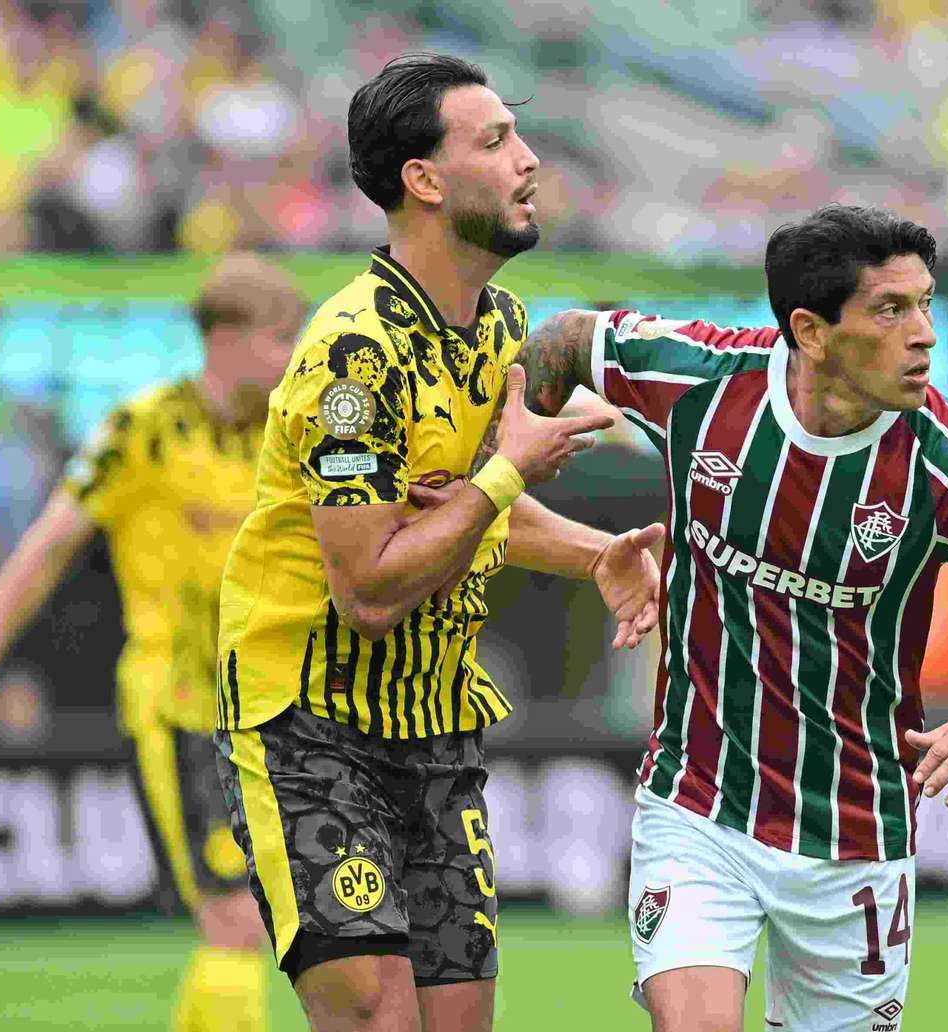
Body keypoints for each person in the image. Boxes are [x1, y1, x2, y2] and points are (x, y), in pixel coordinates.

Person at [511, 204, 948, 1032]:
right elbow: (564, 339)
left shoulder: (942, 461)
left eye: (925, 304)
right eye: (891, 310)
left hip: (856, 836)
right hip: (698, 805)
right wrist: (509, 456)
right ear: (810, 330)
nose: (924, 335)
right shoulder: (702, 381)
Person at [210, 54, 663, 1032]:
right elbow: (369, 590)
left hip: (436, 727)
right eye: (495, 141)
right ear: (423, 179)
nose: (528, 159)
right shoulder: (353, 354)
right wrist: (506, 473)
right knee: (377, 1015)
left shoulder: (499, 328)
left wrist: (597, 555)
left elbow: (473, 517)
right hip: (310, 725)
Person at [0, 252, 310, 1032]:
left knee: (259, 925)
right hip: (179, 711)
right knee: (234, 921)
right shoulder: (143, 430)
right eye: (281, 338)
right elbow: (46, 547)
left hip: (273, 714)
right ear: (225, 338)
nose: (293, 356)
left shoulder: (291, 436)